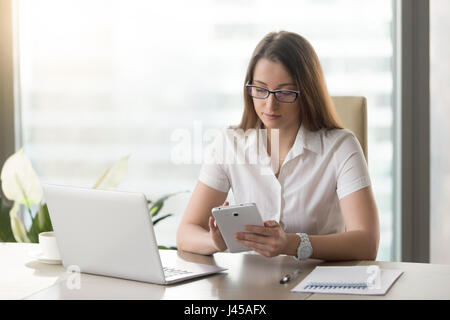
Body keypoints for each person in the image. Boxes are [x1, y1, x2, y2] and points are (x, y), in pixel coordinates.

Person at [176, 31, 380, 261]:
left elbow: (366, 243)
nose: (270, 104)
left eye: (284, 92)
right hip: (251, 288)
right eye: (260, 90)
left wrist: (290, 243)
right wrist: (213, 242)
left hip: (320, 288)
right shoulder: (231, 142)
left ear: (307, 93)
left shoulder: (341, 146)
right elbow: (186, 233)